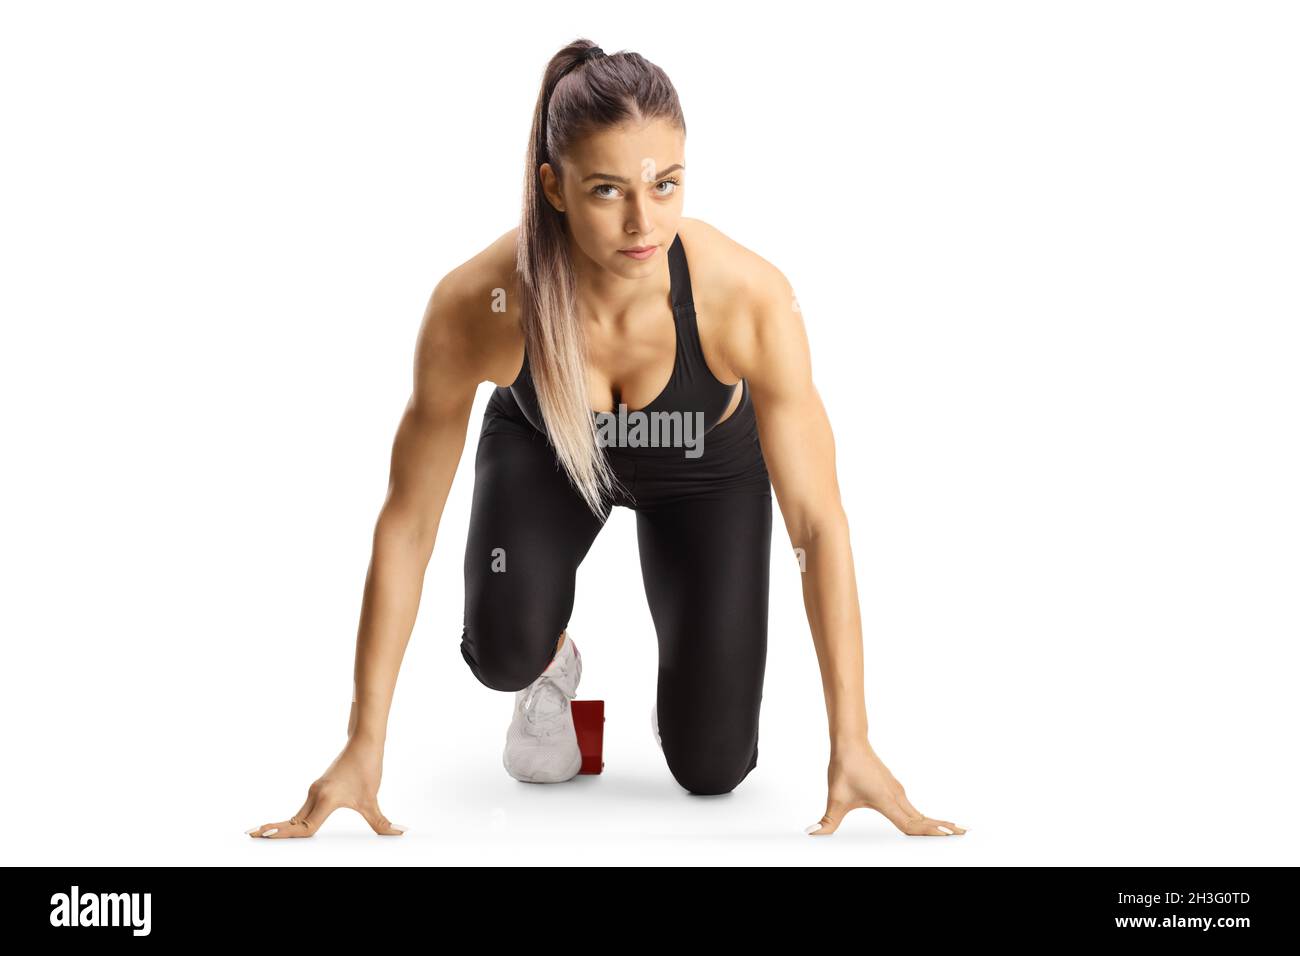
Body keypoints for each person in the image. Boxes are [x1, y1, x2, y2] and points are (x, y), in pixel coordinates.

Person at [248, 39, 966, 840]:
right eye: (606, 191)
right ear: (552, 186)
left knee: (714, 767)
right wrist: (363, 744)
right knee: (500, 650)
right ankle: (549, 665)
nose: (642, 223)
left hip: (705, 475)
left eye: (666, 185)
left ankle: (688, 705)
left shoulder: (749, 301)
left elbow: (819, 526)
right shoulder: (479, 306)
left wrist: (853, 739)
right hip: (550, 450)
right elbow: (408, 522)